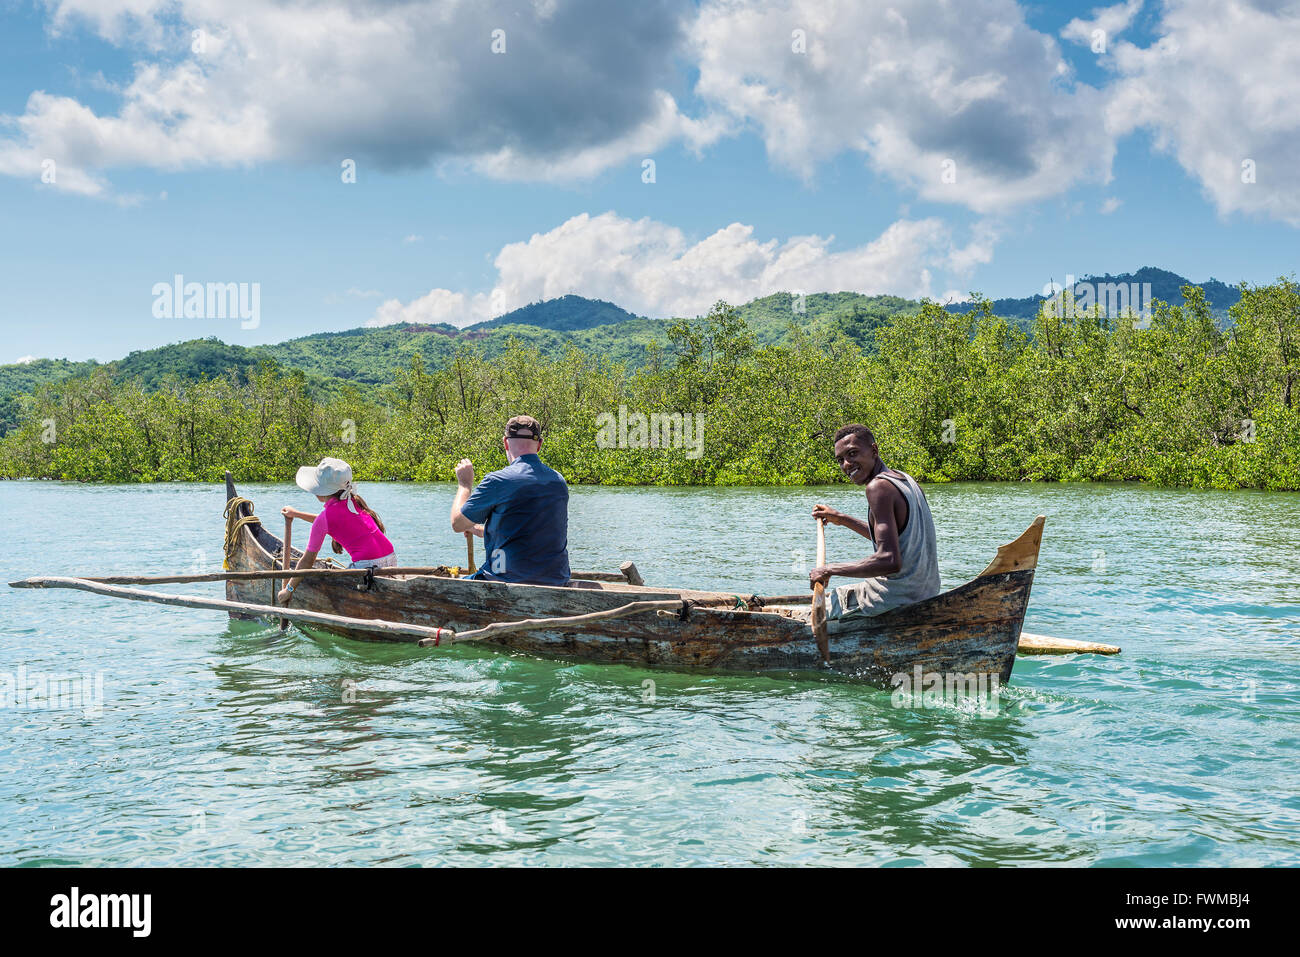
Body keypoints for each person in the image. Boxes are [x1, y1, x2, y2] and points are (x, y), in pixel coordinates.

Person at [808, 424, 940, 618]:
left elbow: (889, 561)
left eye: (852, 454)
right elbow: (892, 539)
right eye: (840, 460)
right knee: (836, 596)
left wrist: (829, 569)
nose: (846, 464)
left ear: (874, 450)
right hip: (926, 593)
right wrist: (842, 519)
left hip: (894, 598)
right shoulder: (906, 479)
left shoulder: (877, 487)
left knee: (815, 614)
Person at [449, 415, 571, 586]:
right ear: (540, 445)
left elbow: (456, 523)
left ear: (505, 443)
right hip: (556, 580)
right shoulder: (558, 481)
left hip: (504, 579)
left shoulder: (498, 481)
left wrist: (465, 484)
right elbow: (523, 532)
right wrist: (475, 528)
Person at [278, 457, 395, 604]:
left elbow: (307, 560)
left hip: (366, 567)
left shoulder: (325, 518)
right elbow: (332, 522)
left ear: (320, 491)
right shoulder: (353, 500)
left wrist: (288, 590)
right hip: (390, 558)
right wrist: (297, 514)